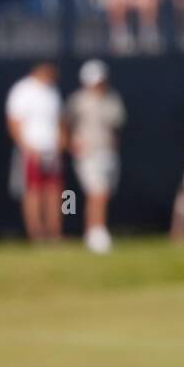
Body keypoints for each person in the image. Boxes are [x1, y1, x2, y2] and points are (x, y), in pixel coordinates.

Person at [65, 59, 126, 254]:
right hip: (88, 153)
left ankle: (95, 231)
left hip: (107, 151)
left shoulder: (112, 99)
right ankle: (96, 232)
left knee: (103, 193)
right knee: (97, 193)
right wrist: (71, 143)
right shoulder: (78, 101)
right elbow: (65, 122)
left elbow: (117, 125)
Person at [5, 62, 64, 241]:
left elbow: (58, 120)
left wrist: (61, 143)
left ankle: (54, 233)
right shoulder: (22, 90)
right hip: (31, 151)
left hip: (52, 151)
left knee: (54, 192)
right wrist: (28, 148)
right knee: (33, 191)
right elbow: (14, 123)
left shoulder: (52, 92)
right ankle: (36, 234)